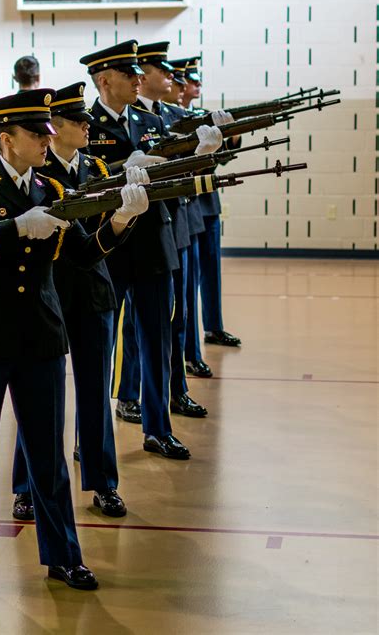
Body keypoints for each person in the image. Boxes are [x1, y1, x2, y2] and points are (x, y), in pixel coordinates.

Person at [0, 88, 148, 599]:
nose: (46, 141)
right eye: (36, 134)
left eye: (47, 133)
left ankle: (63, 557)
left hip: (39, 335)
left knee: (47, 457)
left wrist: (120, 222)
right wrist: (16, 227)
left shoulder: (53, 186)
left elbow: (82, 254)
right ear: (6, 139)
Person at [11, 81, 143, 520]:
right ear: (58, 127)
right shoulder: (38, 177)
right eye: (78, 121)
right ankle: (27, 485)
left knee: (93, 390)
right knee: (37, 396)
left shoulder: (100, 171)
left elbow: (101, 243)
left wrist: (126, 217)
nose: (88, 127)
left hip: (91, 293)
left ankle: (103, 482)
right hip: (45, 296)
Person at [80, 39, 191, 459]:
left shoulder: (148, 120)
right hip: (109, 245)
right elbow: (83, 180)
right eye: (129, 75)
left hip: (153, 242)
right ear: (105, 80)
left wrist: (197, 155)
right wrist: (121, 169)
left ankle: (157, 428)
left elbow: (166, 171)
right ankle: (90, 436)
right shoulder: (84, 124)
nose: (138, 80)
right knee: (100, 346)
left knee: (157, 340)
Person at [136, 41, 210, 414]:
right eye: (160, 70)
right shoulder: (134, 118)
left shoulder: (160, 115)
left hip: (174, 221)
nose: (170, 76)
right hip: (138, 232)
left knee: (175, 316)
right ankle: (133, 396)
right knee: (139, 330)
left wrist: (203, 152)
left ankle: (174, 390)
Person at [179, 57, 242, 349]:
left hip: (207, 200)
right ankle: (191, 343)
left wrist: (231, 139)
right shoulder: (170, 119)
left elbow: (222, 158)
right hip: (186, 204)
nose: (195, 85)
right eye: (190, 80)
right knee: (189, 280)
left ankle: (213, 326)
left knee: (211, 270)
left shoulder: (203, 116)